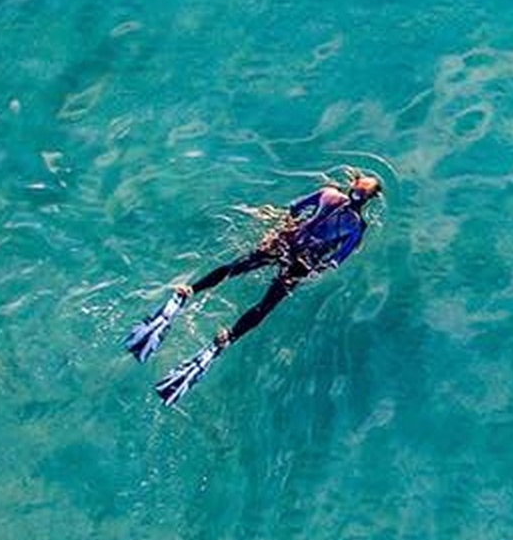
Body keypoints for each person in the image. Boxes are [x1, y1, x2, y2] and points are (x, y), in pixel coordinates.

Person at [125, 173, 382, 404]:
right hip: (303, 261)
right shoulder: (357, 227)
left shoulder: (328, 194)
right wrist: (311, 273)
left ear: (352, 185)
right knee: (264, 307)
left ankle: (188, 291)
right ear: (370, 199)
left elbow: (294, 208)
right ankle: (227, 338)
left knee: (234, 268)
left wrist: (281, 231)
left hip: (285, 241)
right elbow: (336, 261)